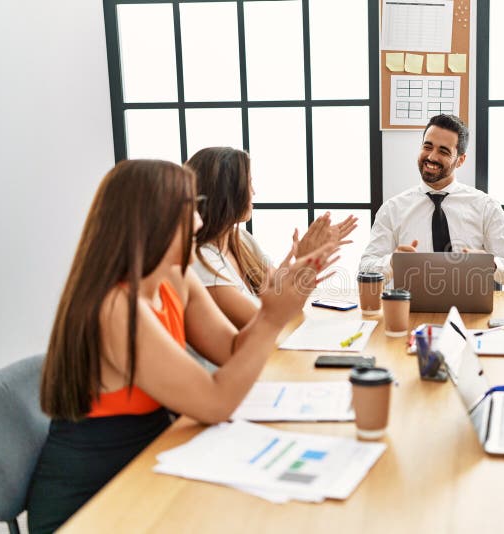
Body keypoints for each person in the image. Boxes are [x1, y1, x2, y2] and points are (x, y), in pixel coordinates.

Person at [26, 160, 338, 533]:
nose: (199, 223)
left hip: (149, 464)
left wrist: (279, 299)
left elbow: (235, 351)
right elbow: (215, 402)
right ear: (150, 222)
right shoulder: (116, 308)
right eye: (188, 210)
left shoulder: (179, 279)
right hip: (92, 502)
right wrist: (271, 317)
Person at [186, 147, 357, 328]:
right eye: (249, 184)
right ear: (226, 194)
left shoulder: (241, 240)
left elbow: (286, 302)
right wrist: (305, 262)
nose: (254, 192)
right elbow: (269, 321)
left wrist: (306, 260)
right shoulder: (201, 261)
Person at [359, 114, 504, 285]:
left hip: (471, 309)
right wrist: (392, 262)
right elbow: (365, 268)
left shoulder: (486, 207)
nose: (431, 157)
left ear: (460, 160)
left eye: (443, 151)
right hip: (410, 309)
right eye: (427, 146)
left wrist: (489, 264)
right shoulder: (392, 209)